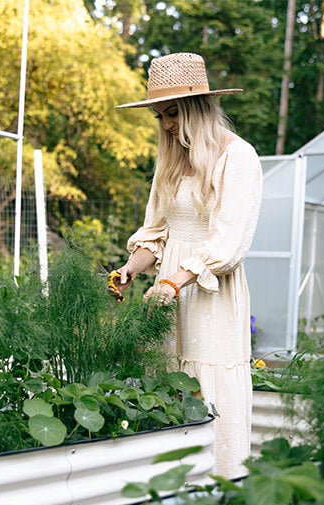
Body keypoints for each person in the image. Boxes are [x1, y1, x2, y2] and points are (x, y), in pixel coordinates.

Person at [109, 52, 262, 478]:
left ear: (198, 107)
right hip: (167, 294)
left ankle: (221, 490)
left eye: (172, 112)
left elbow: (228, 243)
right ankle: (171, 494)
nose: (166, 124)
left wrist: (178, 280)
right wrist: (132, 269)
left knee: (209, 385)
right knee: (165, 384)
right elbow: (156, 232)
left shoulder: (238, 157)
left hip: (209, 292)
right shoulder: (172, 162)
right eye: (159, 115)